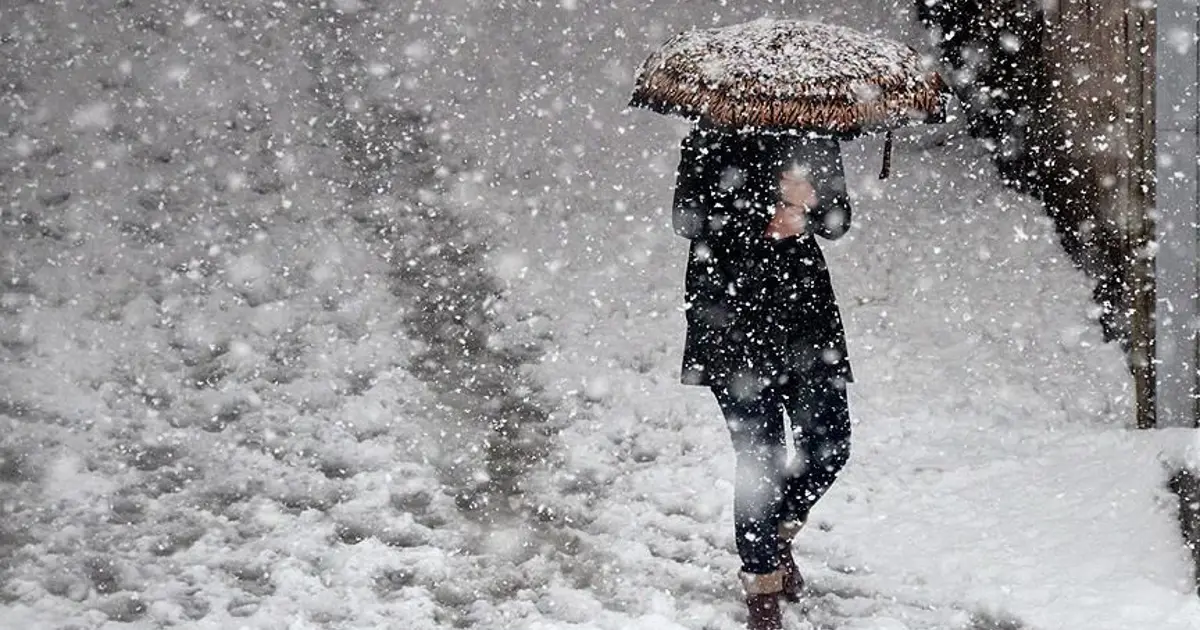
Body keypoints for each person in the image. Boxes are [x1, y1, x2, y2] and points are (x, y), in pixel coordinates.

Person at [672, 121, 854, 630]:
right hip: (730, 314)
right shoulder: (710, 136)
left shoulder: (815, 134)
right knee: (761, 457)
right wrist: (764, 206)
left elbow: (838, 221)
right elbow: (687, 220)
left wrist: (809, 207)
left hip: (804, 316)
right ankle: (762, 588)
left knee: (830, 443)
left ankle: (773, 536)